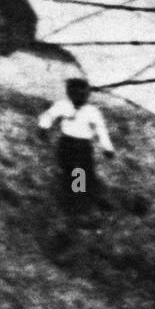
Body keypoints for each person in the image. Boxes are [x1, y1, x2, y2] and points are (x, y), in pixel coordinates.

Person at [39, 78, 115, 216]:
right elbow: (49, 115)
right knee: (74, 172)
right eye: (74, 94)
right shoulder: (62, 105)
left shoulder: (92, 111)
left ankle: (91, 197)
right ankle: (76, 202)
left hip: (83, 146)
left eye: (83, 95)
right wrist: (44, 127)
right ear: (69, 94)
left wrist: (107, 148)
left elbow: (101, 129)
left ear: (87, 96)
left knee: (86, 172)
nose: (79, 98)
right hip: (66, 143)